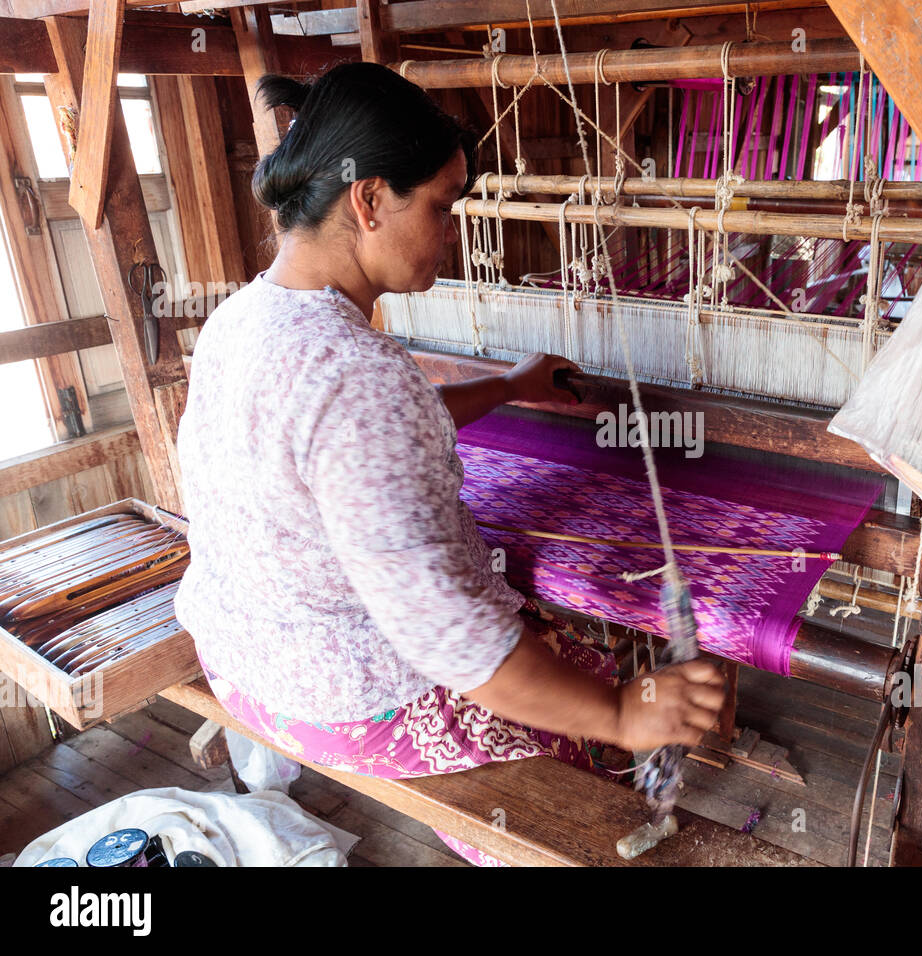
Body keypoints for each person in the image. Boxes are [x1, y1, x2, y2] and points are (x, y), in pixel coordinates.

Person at [173, 62, 724, 865]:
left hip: (241, 660)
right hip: (344, 702)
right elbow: (458, 646)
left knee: (558, 654)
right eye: (441, 205)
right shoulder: (359, 377)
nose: (452, 232)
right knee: (575, 696)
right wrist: (621, 712)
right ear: (367, 200)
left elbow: (344, 441)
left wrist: (507, 386)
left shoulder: (242, 318)